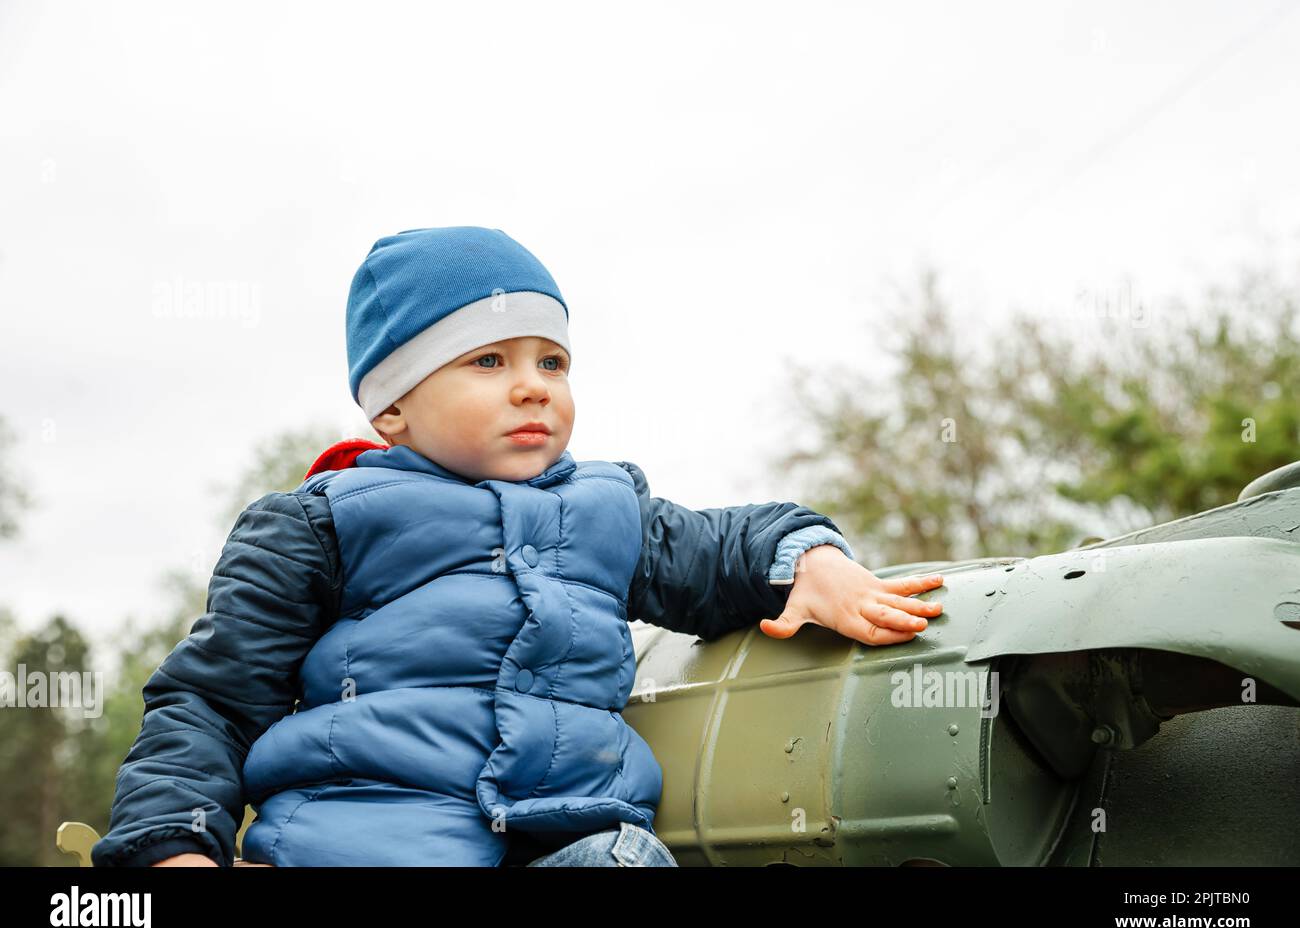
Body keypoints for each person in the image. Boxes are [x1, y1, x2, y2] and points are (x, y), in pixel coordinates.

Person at [92, 227, 944, 868]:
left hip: (564, 842)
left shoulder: (609, 509)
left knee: (628, 860)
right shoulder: (322, 523)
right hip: (366, 843)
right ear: (392, 406)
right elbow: (209, 702)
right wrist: (175, 845)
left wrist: (809, 562)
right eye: (490, 360)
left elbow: (721, 550)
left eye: (554, 360)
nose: (534, 383)